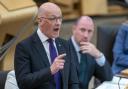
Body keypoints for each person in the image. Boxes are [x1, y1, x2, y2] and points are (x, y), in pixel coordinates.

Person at [14, 2, 79, 89]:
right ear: (40, 20)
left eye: (60, 18)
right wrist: (50, 71)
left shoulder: (65, 45)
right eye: (53, 18)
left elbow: (73, 82)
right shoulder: (24, 47)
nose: (58, 23)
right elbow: (23, 83)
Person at [68, 16, 113, 89]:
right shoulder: (62, 50)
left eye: (90, 31)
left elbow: (108, 77)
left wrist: (98, 55)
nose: (86, 35)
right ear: (74, 29)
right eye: (82, 30)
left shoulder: (92, 53)